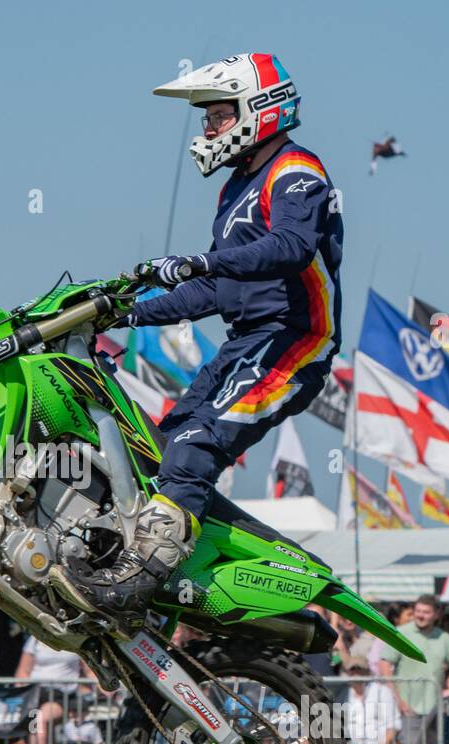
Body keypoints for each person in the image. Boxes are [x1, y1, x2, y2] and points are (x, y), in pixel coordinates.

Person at [60, 52, 341, 621]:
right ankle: (183, 576)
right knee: (161, 447)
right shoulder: (236, 188)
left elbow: (292, 247)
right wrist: (126, 315)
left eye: (216, 116)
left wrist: (196, 261)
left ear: (256, 110)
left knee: (197, 443)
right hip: (247, 341)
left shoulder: (295, 172)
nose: (207, 130)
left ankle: (148, 570)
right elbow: (214, 291)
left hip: (294, 340)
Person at [377, 594, 449, 744]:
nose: (421, 615)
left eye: (426, 612)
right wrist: (397, 698)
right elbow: (384, 663)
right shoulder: (402, 632)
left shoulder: (444, 638)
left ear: (436, 614)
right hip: (408, 706)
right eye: (418, 611)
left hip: (435, 709)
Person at [16, 634, 88, 744]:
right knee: (35, 725)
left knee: (40, 719)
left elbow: (90, 670)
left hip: (63, 696)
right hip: (35, 694)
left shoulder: (75, 637)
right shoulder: (35, 638)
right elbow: (23, 670)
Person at [342, 655, 399, 744]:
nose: (356, 673)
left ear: (367, 671)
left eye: (360, 669)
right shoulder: (342, 695)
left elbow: (394, 724)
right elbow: (336, 728)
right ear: (348, 672)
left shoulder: (382, 691)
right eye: (353, 670)